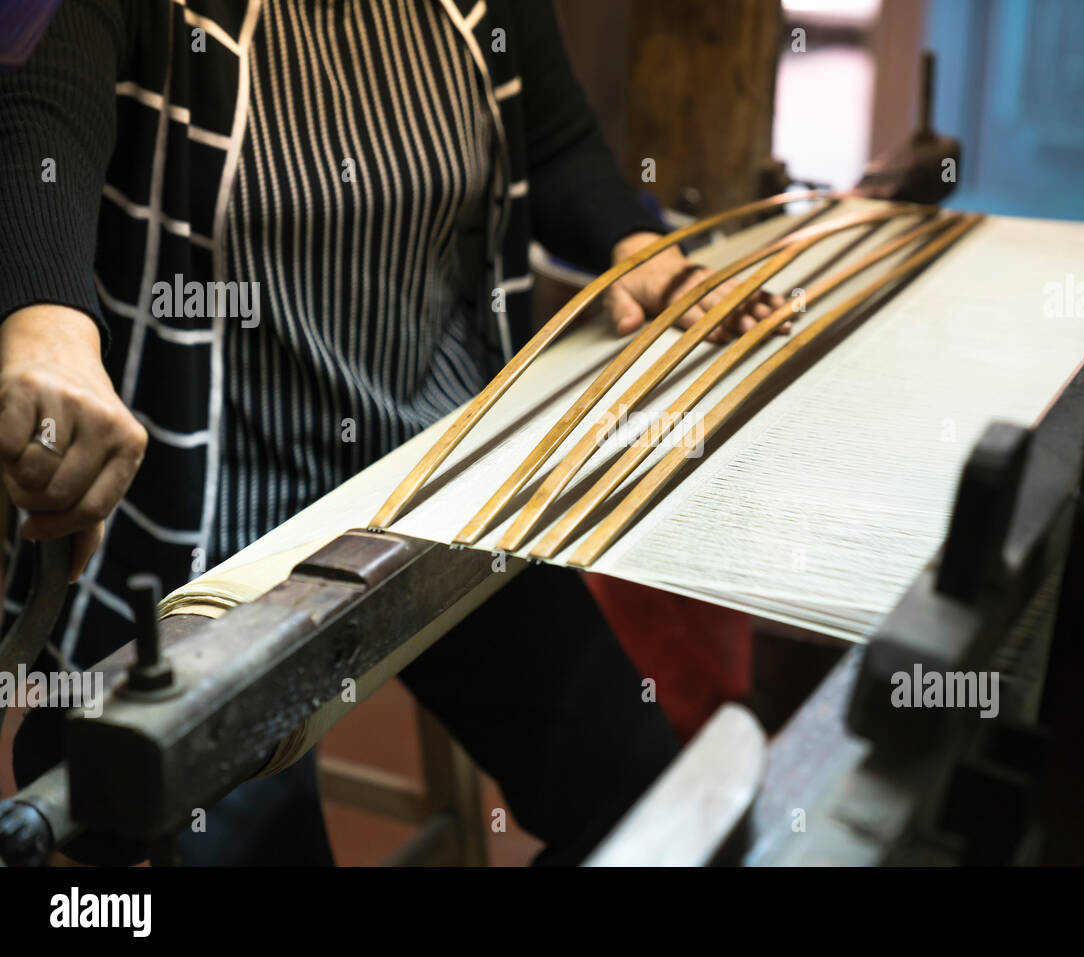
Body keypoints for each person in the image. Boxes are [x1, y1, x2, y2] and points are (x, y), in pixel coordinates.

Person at [0, 0, 778, 864]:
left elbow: (554, 146)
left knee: (648, 801)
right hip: (218, 529)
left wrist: (637, 244)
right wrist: (47, 323)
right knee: (231, 827)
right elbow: (40, 122)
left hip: (436, 478)